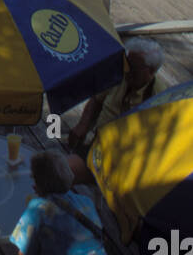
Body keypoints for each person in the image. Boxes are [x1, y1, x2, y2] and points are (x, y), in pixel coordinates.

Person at [66, 38, 166, 182]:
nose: (127, 70)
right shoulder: (118, 76)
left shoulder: (160, 98)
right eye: (126, 63)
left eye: (133, 67)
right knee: (61, 172)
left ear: (150, 71)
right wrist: (83, 125)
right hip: (99, 148)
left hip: (129, 161)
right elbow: (96, 100)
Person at [10, 151, 107, 255]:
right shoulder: (86, 201)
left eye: (34, 179)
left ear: (39, 185)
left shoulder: (38, 210)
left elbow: (24, 254)